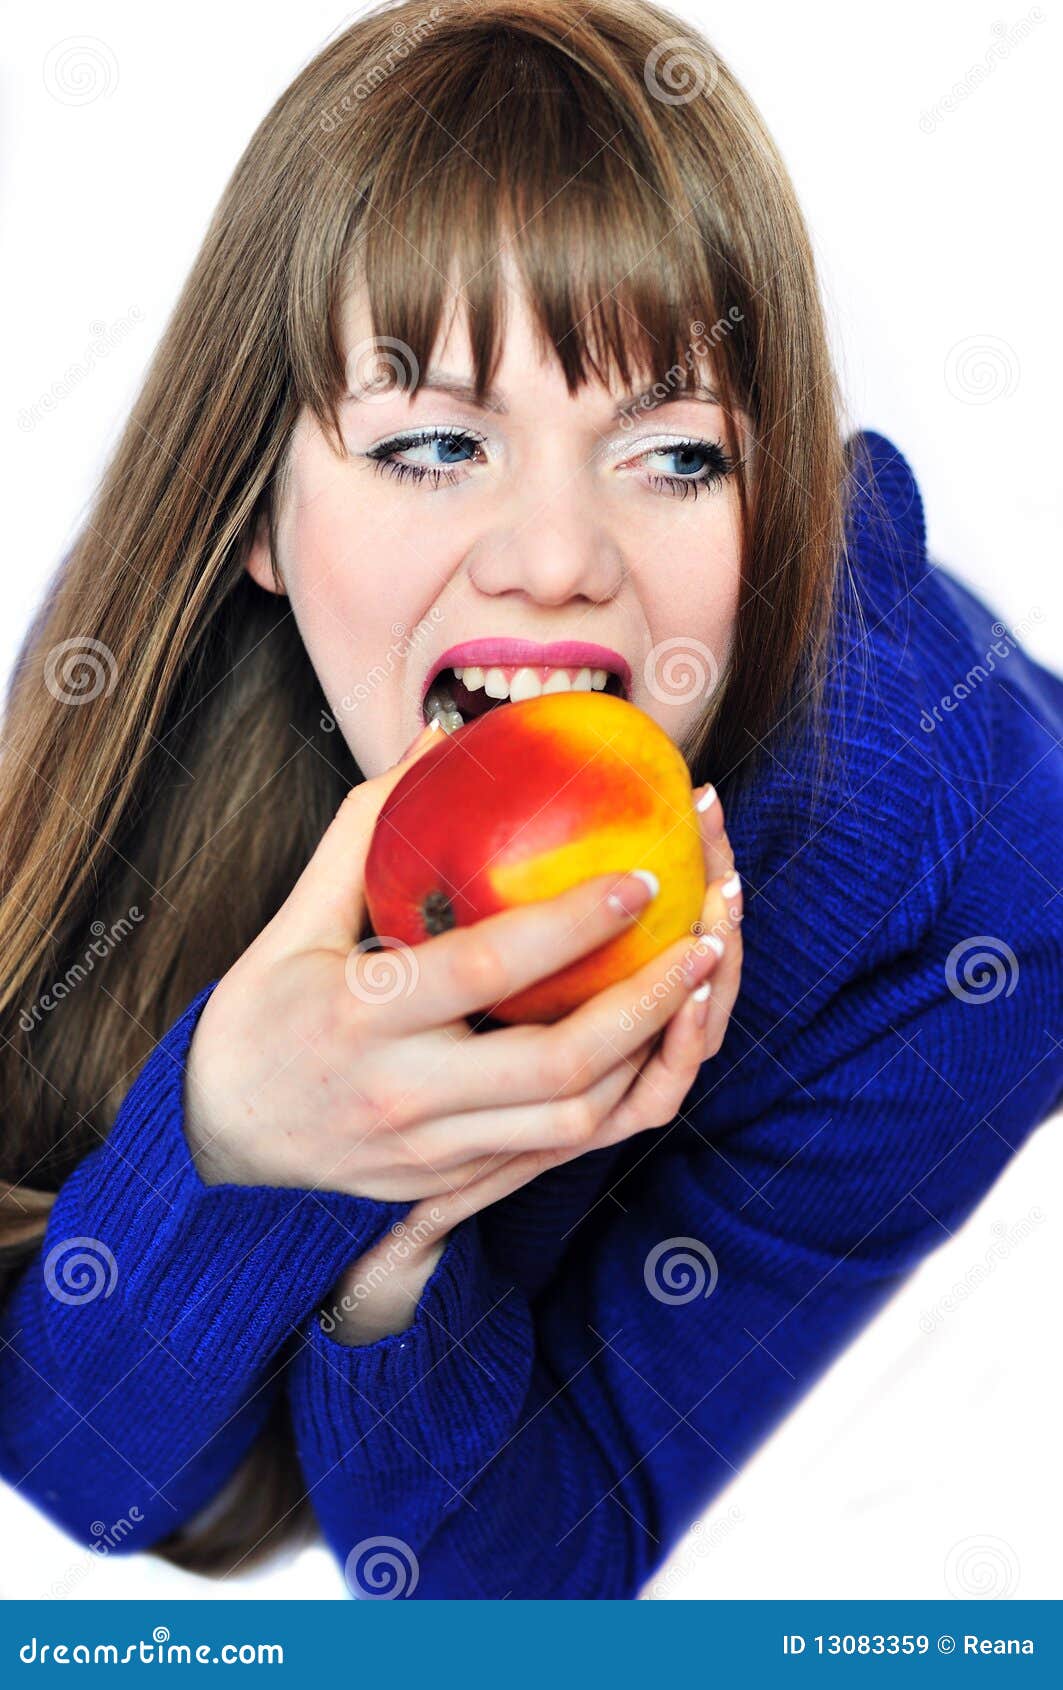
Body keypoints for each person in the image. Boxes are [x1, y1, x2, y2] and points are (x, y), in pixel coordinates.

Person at [0, 0, 1059, 1600]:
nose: (557, 558)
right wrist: (238, 1128)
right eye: (434, 443)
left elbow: (533, 1589)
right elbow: (78, 1485)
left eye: (680, 455)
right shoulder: (147, 679)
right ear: (257, 515)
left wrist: (392, 1260)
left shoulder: (990, 903)